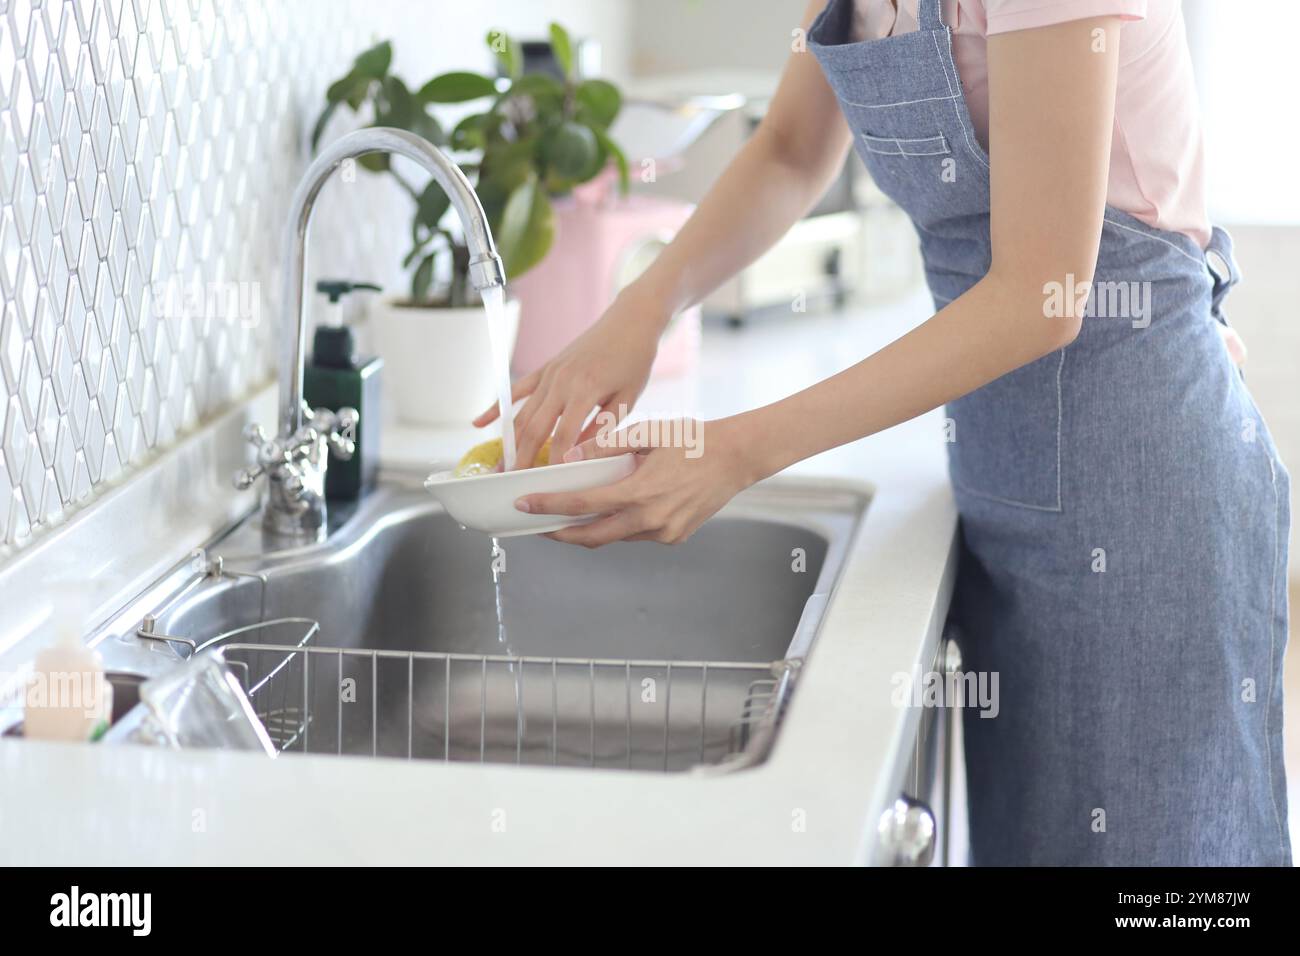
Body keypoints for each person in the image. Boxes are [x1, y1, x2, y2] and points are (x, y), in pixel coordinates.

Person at [475, 0, 1290, 865]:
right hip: (1003, 465)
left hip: (1143, 482)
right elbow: (791, 148)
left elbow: (1041, 293)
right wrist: (642, 308)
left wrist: (736, 451)